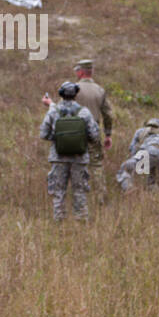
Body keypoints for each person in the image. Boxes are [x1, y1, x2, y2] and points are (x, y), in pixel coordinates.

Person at [40, 82, 101, 220]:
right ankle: (81, 219)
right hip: (79, 157)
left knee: (59, 191)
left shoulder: (54, 111)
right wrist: (81, 140)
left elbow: (43, 133)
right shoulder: (84, 112)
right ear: (75, 94)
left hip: (58, 157)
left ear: (61, 94)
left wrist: (57, 139)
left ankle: (59, 219)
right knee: (79, 190)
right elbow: (95, 136)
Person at [62, 59, 114, 200]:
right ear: (91, 72)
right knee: (96, 165)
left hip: (74, 134)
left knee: (74, 164)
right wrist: (108, 134)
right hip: (94, 133)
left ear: (81, 72)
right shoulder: (100, 90)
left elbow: (63, 112)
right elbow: (108, 114)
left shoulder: (72, 89)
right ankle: (101, 197)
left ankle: (77, 197)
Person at [116, 118, 159, 192]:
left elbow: (133, 149)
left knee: (125, 168)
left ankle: (129, 190)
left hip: (149, 151)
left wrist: (135, 163)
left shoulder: (141, 131)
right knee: (157, 186)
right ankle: (156, 197)